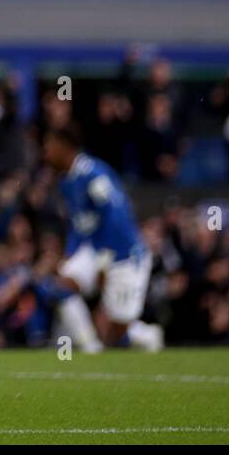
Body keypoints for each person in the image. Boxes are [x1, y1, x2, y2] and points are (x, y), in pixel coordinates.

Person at [40, 125, 164, 353]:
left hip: (124, 253)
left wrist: (106, 258)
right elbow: (80, 224)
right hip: (94, 248)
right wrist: (69, 254)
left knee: (117, 334)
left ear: (65, 147)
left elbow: (116, 213)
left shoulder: (93, 174)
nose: (45, 151)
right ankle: (90, 348)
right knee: (59, 287)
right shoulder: (66, 182)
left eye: (49, 146)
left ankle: (148, 336)